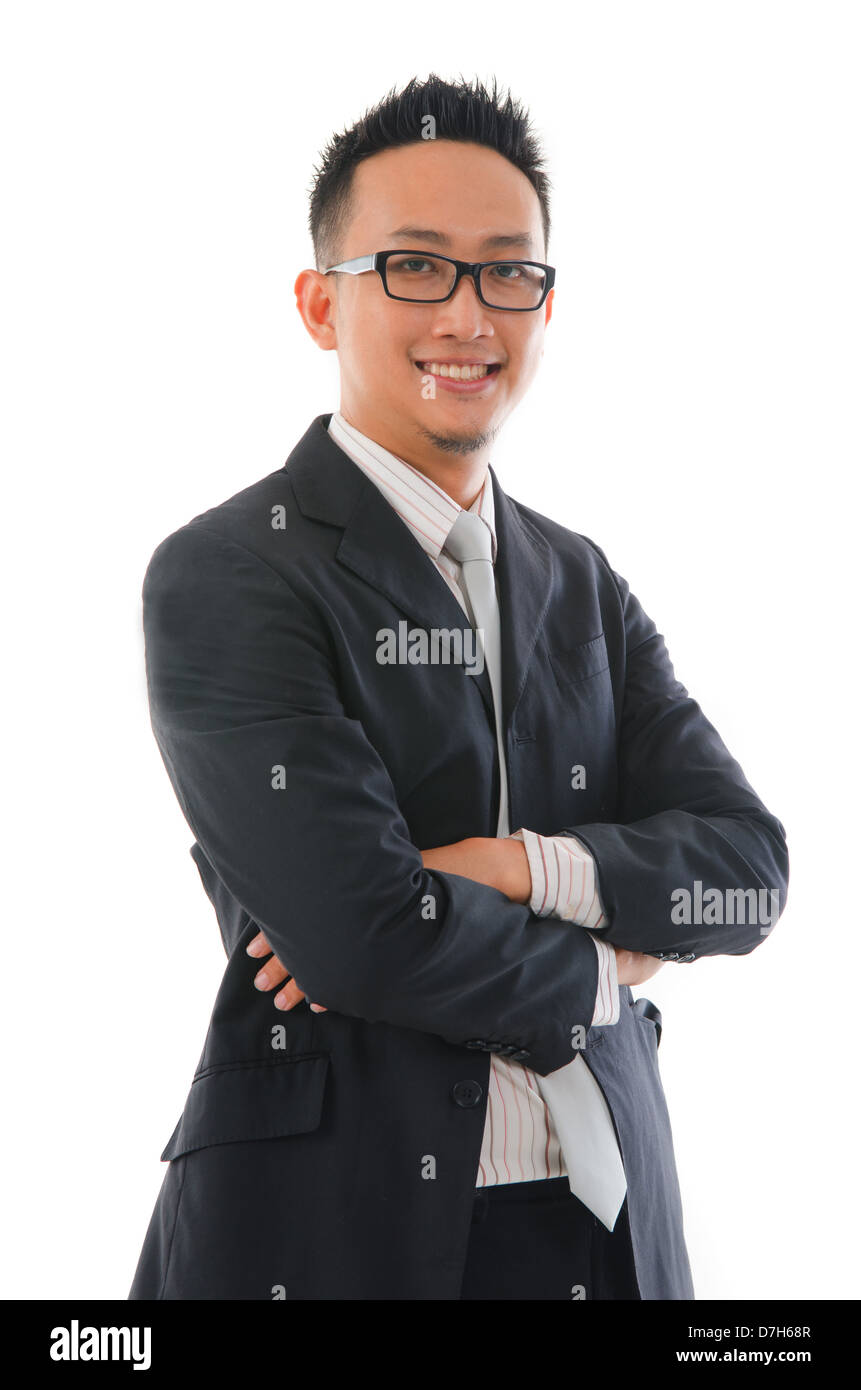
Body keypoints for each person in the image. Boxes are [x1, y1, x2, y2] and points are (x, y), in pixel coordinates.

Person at [128, 74, 788, 1301]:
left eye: (506, 272)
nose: (469, 313)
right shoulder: (228, 572)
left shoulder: (581, 581)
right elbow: (363, 934)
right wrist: (617, 960)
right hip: (343, 1229)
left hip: (613, 1235)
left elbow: (748, 866)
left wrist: (525, 868)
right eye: (417, 267)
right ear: (321, 304)